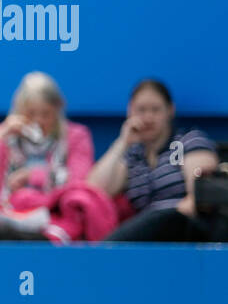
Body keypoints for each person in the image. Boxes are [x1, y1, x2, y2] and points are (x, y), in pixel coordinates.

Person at [0, 72, 96, 242]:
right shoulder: (1, 136)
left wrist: (34, 175)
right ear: (19, 111)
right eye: (31, 113)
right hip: (2, 221)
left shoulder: (76, 136)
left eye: (46, 113)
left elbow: (79, 185)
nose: (38, 120)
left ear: (58, 108)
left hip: (54, 221)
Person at [89, 79, 223, 241]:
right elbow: (94, 190)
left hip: (183, 223)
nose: (148, 117)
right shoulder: (133, 155)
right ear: (129, 111)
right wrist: (122, 142)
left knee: (155, 221)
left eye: (155, 110)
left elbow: (201, 191)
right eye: (141, 110)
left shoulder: (187, 141)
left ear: (170, 110)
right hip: (146, 234)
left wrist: (184, 205)